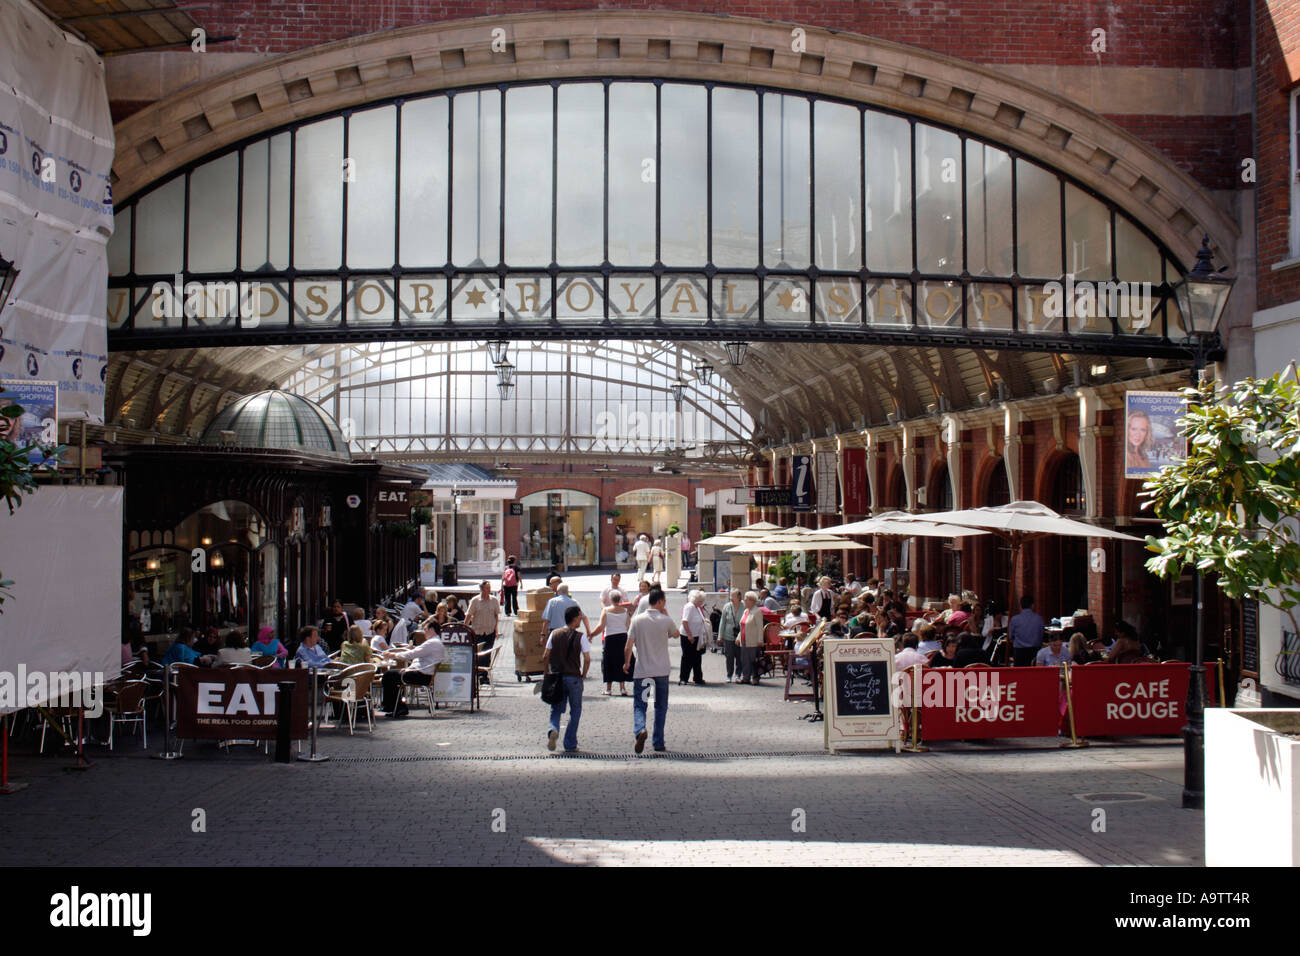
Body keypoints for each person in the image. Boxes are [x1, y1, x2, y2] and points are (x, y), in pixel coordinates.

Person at [626, 586, 677, 753]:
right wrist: (666, 615)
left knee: (640, 704)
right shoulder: (665, 620)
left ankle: (640, 729)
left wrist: (627, 663)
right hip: (661, 672)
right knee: (661, 706)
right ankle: (659, 742)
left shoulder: (637, 620)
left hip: (643, 673)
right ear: (660, 601)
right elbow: (676, 634)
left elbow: (628, 646)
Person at [542, 605, 590, 752]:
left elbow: (545, 655)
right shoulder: (581, 637)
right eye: (580, 617)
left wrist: (546, 672)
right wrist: (584, 674)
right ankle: (570, 742)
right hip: (574, 677)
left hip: (557, 677)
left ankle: (553, 729)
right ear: (575, 619)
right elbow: (587, 658)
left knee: (556, 708)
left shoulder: (555, 633)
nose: (581, 619)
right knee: (575, 710)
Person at [378, 629, 445, 717]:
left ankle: (393, 706)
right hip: (424, 674)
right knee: (393, 675)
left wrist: (393, 655)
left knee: (388, 675)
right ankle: (397, 706)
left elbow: (412, 654)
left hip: (421, 675)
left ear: (432, 630)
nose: (424, 633)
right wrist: (409, 668)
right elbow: (419, 655)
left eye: (425, 630)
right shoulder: (436, 642)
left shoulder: (432, 643)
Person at [590, 589, 634, 696]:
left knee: (608, 662)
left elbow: (601, 627)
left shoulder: (606, 610)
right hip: (623, 637)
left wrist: (591, 634)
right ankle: (622, 688)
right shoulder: (625, 611)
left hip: (610, 638)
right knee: (621, 660)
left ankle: (608, 689)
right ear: (620, 599)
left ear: (610, 599)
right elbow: (629, 626)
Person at [466, 580, 501, 684]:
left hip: (490, 631)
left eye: (490, 588)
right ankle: (480, 674)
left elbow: (496, 616)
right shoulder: (475, 601)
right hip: (478, 632)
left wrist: (496, 630)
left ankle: (484, 676)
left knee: (488, 653)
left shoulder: (494, 600)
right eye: (487, 588)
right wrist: (465, 628)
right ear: (481, 589)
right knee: (480, 654)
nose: (489, 590)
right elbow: (468, 615)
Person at [678, 590, 709, 686]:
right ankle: (683, 678)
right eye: (700, 601)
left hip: (697, 636)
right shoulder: (690, 607)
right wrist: (690, 635)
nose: (701, 603)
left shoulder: (697, 607)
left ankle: (698, 677)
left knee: (697, 658)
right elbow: (685, 621)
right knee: (687, 658)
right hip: (688, 636)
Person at [737, 590, 767, 685]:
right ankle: (745, 677)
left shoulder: (757, 612)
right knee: (744, 660)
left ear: (752, 601)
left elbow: (759, 627)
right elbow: (742, 626)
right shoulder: (746, 611)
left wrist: (760, 640)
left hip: (753, 640)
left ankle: (755, 677)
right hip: (744, 639)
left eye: (746, 599)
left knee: (754, 660)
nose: (744, 601)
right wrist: (738, 638)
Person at [1009, 595, 1045, 667]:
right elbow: (1041, 635)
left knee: (1020, 674)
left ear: (1021, 605)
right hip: (1034, 650)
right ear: (1032, 605)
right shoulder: (1039, 619)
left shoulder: (1014, 619)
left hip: (1019, 651)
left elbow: (1010, 636)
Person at [718, 588, 744, 683]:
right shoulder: (727, 606)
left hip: (739, 636)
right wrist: (720, 636)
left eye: (733, 596)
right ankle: (729, 675)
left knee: (739, 656)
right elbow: (722, 622)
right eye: (730, 596)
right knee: (729, 656)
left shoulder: (744, 607)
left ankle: (738, 674)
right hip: (728, 635)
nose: (731, 598)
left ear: (738, 597)